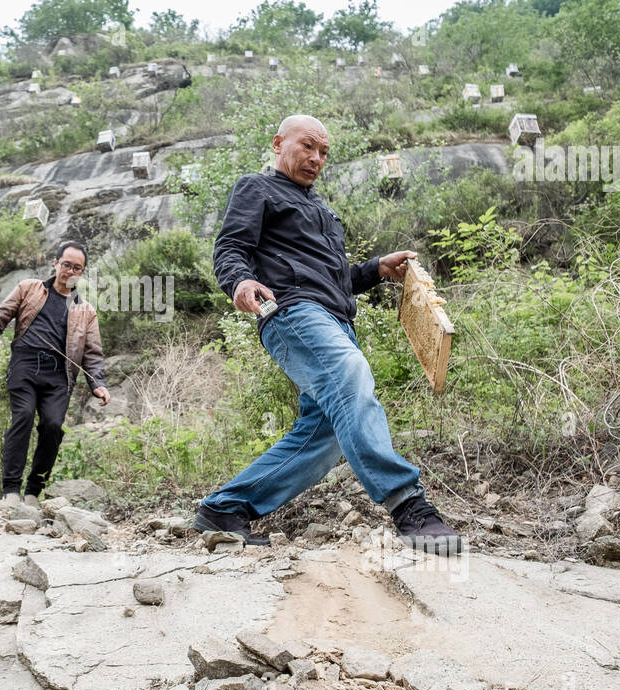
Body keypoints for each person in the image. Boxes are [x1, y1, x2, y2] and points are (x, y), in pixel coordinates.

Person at [193, 114, 462, 554]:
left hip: (336, 319)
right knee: (351, 374)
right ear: (279, 143)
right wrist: (240, 281)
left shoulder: (323, 210)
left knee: (324, 435)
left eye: (324, 152)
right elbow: (230, 247)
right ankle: (407, 503)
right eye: (307, 147)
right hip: (293, 314)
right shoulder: (255, 188)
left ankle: (225, 508)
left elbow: (335, 279)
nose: (316, 158)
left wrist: (376, 269)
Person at [0, 242, 109, 505]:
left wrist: (98, 383)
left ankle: (33, 491)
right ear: (56, 263)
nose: (70, 271)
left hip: (59, 375)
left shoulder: (86, 311)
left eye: (77, 268)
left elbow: (92, 353)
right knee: (22, 417)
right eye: (66, 264)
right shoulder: (28, 288)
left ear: (82, 272)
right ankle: (11, 489)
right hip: (24, 364)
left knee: (53, 427)